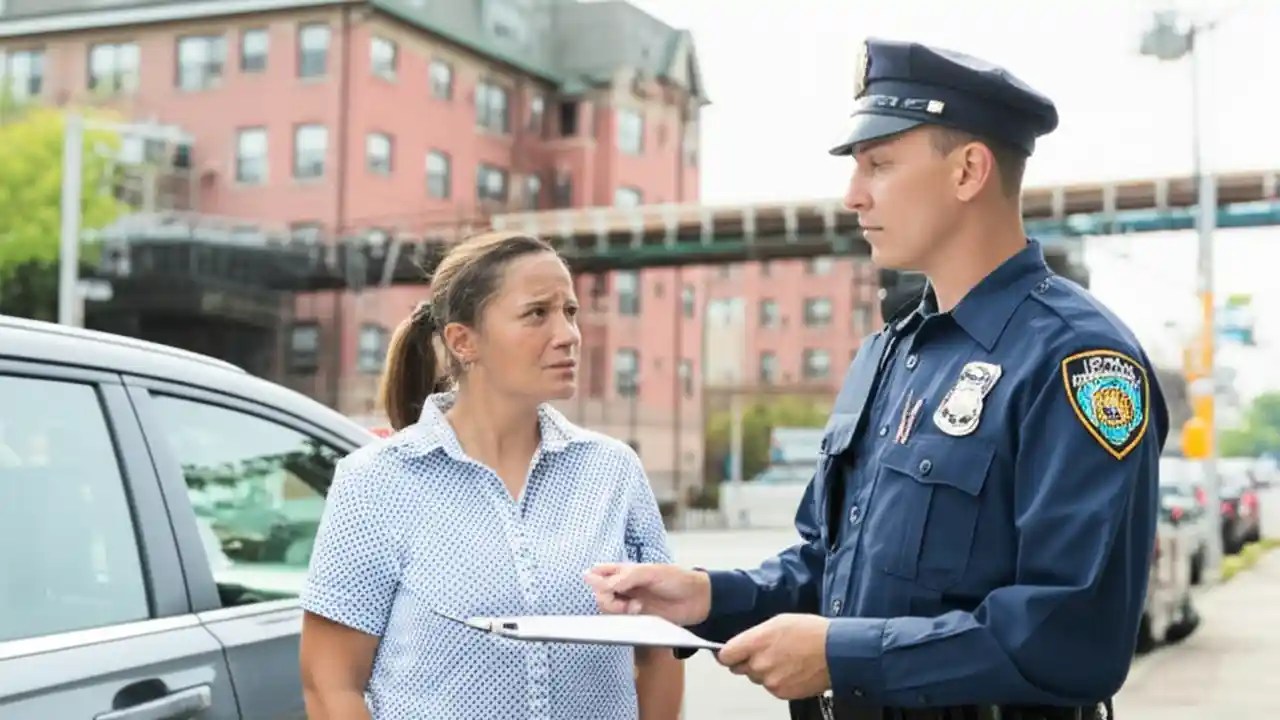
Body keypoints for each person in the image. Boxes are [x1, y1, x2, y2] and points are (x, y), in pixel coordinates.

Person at [586, 37, 1168, 720]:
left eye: (879, 165)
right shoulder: (890, 354)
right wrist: (707, 596)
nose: (853, 195)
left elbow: (1073, 636)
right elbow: (828, 570)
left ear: (968, 171)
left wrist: (841, 655)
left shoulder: (1076, 362)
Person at [299, 231, 684, 720]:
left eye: (570, 312)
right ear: (464, 341)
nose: (568, 334)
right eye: (537, 313)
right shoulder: (375, 482)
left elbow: (660, 651)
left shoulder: (613, 471)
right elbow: (331, 686)